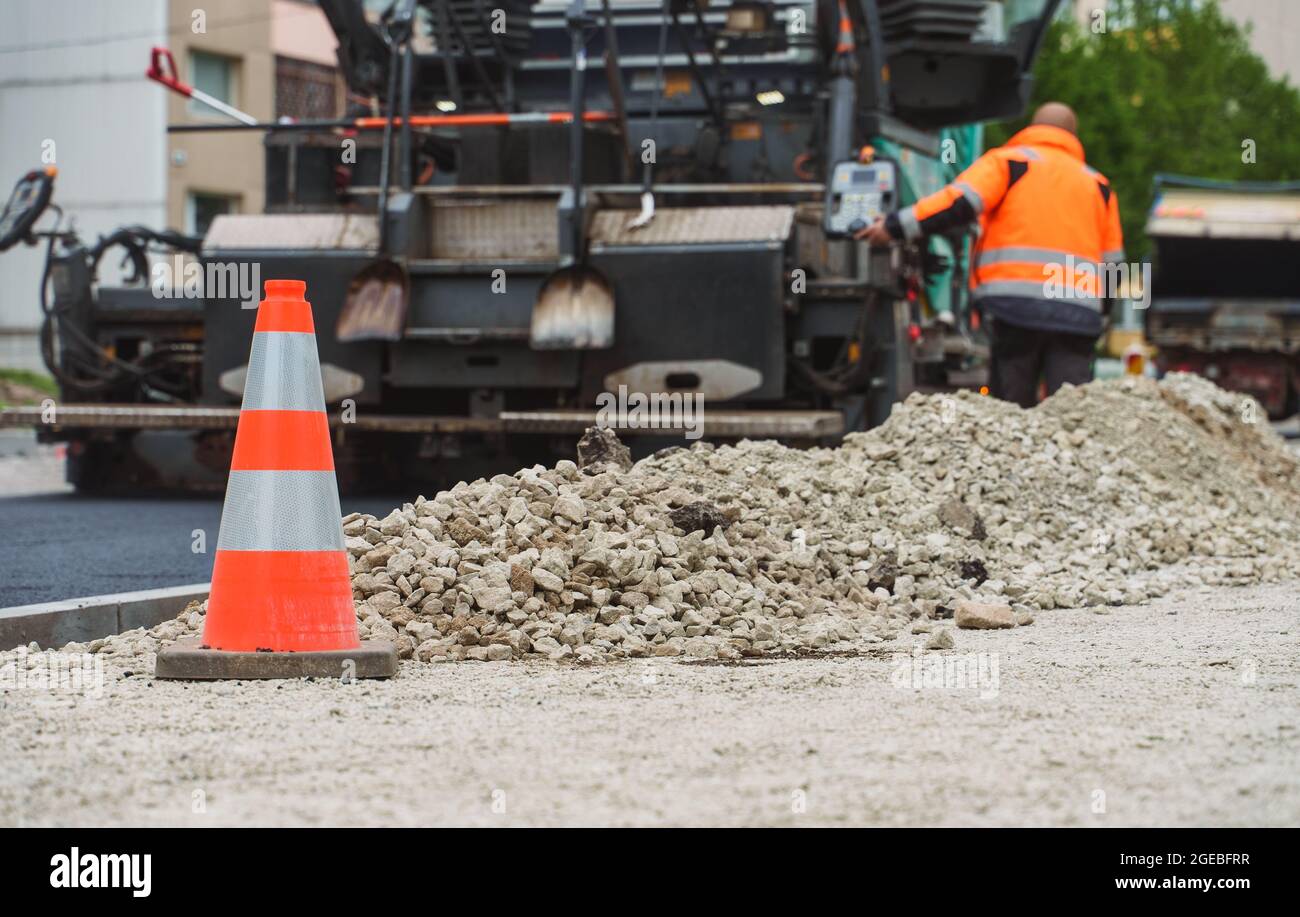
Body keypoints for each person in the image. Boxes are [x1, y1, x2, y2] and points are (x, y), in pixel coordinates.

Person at [856, 102, 1125, 407]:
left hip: (1014, 307)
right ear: (1073, 136)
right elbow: (1114, 263)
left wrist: (894, 226)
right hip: (1078, 316)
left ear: (1032, 128)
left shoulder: (1010, 163)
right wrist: (1102, 317)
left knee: (1011, 409)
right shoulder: (1099, 186)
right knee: (1072, 410)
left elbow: (957, 203)